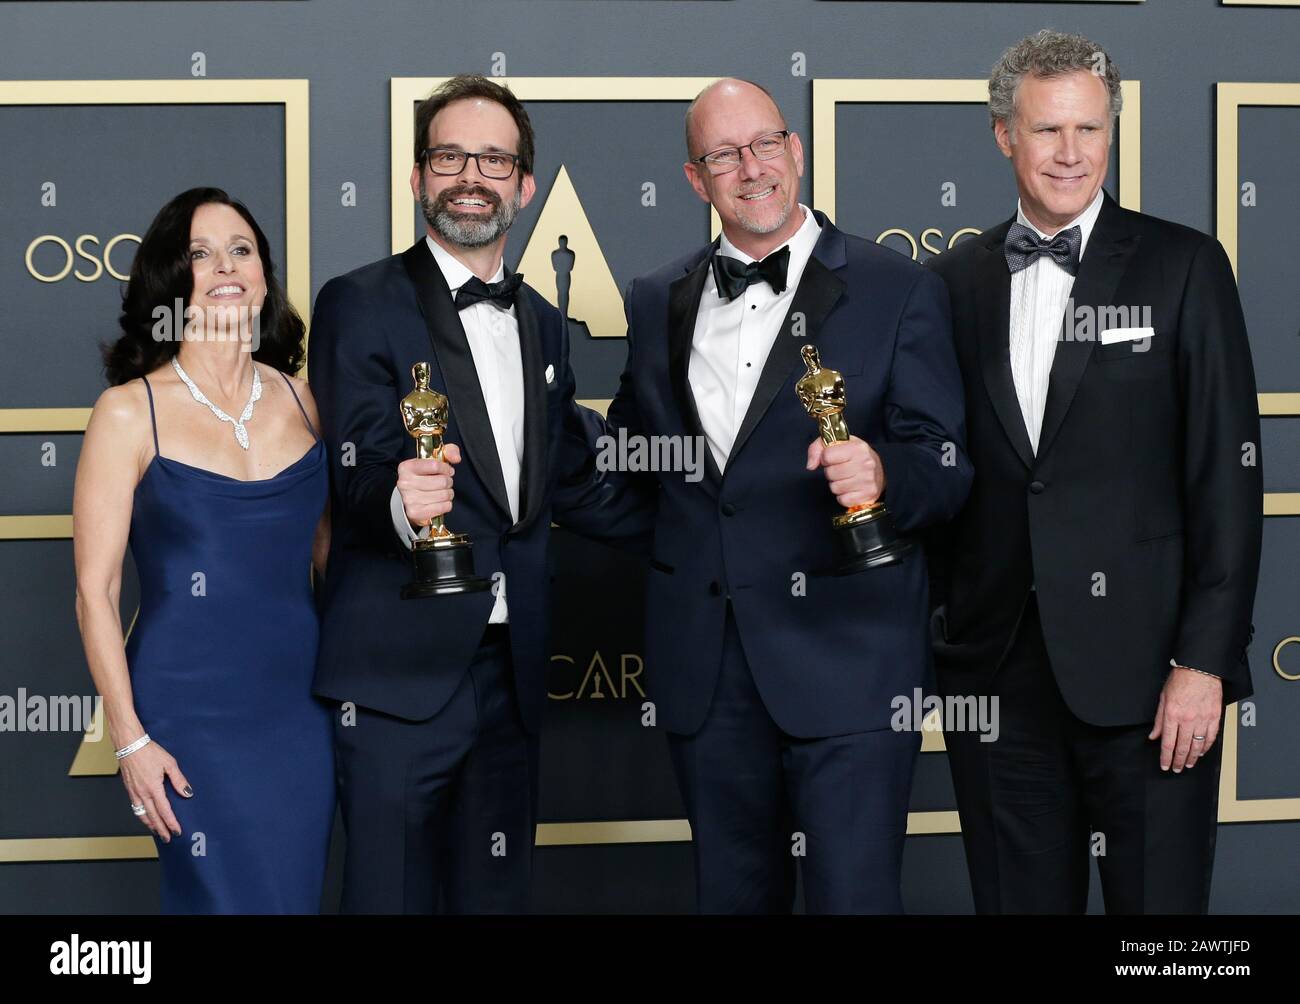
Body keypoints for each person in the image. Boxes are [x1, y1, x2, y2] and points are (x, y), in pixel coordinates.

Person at [605, 78, 973, 913]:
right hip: (707, 667)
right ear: (697, 180)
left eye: (765, 144)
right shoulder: (656, 295)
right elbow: (635, 460)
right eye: (723, 155)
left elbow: (946, 464)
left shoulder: (899, 287)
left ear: (796, 152)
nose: (751, 168)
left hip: (849, 660)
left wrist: (883, 475)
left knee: (854, 901)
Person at [925, 29, 1263, 914]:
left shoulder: (1184, 266)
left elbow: (1227, 477)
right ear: (1004, 135)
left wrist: (1206, 661)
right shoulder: (953, 279)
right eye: (1046, 131)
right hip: (997, 677)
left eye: (1090, 129)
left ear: (1111, 132)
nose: (1071, 154)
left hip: (1152, 675)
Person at [309, 74, 649, 914]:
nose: (471, 175)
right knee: (386, 898)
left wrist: (713, 506)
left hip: (514, 669)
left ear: (526, 186)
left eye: (493, 159)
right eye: (450, 155)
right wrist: (401, 500)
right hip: (396, 672)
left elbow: (565, 478)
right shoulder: (359, 301)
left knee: (495, 898)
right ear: (418, 177)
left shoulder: (539, 319)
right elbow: (354, 469)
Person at [72, 187, 333, 913]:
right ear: (169, 278)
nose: (225, 265)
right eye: (200, 252)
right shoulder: (128, 412)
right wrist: (129, 740)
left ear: (263, 273)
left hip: (300, 712)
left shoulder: (308, 402)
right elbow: (95, 593)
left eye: (242, 249)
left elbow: (333, 563)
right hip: (187, 716)